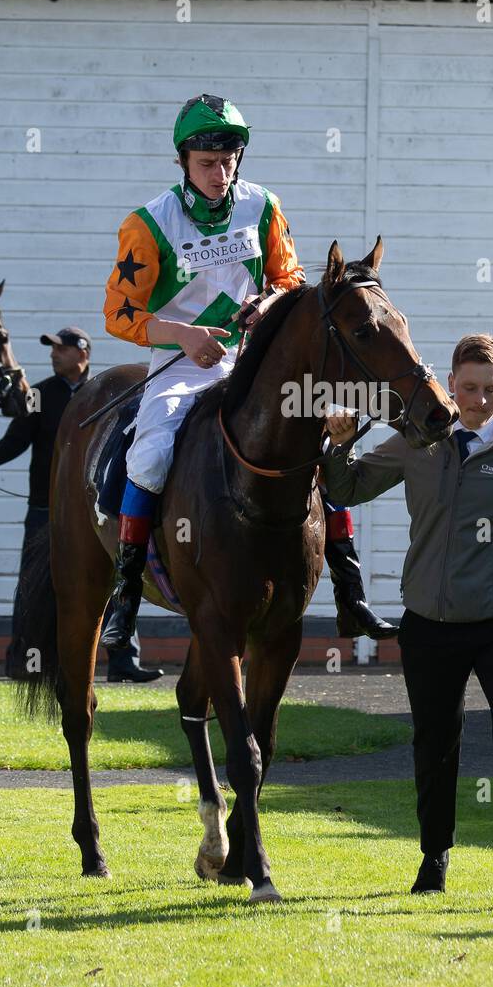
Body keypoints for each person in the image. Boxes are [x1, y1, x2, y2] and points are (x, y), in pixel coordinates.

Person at [101, 94, 392, 650]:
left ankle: (350, 595)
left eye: (230, 159)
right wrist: (184, 335)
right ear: (184, 159)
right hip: (181, 364)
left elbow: (290, 276)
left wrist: (267, 303)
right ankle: (125, 596)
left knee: (316, 438)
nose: (221, 172)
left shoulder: (262, 206)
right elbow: (118, 314)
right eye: (208, 162)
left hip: (252, 362)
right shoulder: (147, 224)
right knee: (151, 451)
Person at [323, 332, 493, 910]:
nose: (478, 400)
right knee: (434, 745)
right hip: (428, 625)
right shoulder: (417, 439)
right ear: (450, 383)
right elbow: (344, 488)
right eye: (468, 388)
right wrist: (339, 445)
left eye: (490, 390)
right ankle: (433, 859)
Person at [0, 328, 162, 683]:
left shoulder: (105, 393)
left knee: (120, 575)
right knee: (35, 582)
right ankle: (24, 660)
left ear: (82, 353)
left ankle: (122, 662)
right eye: (52, 349)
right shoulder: (38, 395)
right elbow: (16, 441)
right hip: (45, 507)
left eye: (61, 349)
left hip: (95, 510)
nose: (54, 355)